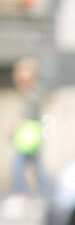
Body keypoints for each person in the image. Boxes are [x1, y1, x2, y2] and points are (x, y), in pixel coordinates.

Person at [8, 57, 51, 200]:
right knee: (35, 165)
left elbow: (30, 114)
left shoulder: (33, 92)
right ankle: (46, 194)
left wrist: (16, 124)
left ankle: (21, 193)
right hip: (31, 133)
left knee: (18, 165)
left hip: (29, 133)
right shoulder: (29, 91)